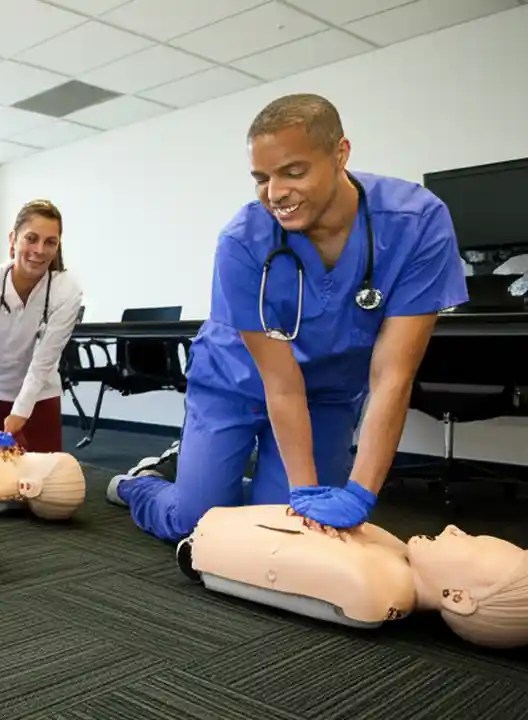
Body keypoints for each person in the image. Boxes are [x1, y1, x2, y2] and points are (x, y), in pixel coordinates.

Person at [107, 93, 468, 543]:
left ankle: (239, 490)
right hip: (234, 379)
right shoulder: (242, 241)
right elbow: (281, 383)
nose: (275, 193)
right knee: (193, 521)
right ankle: (141, 484)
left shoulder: (417, 223)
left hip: (328, 393)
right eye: (261, 177)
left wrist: (361, 493)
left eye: (294, 171)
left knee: (285, 531)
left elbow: (393, 377)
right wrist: (304, 492)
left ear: (341, 154)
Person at [0, 199, 82, 452]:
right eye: (31, 238)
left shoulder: (66, 291)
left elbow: (45, 361)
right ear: (13, 239)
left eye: (50, 242)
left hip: (38, 397)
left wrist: (20, 413)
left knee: (45, 484)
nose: (40, 249)